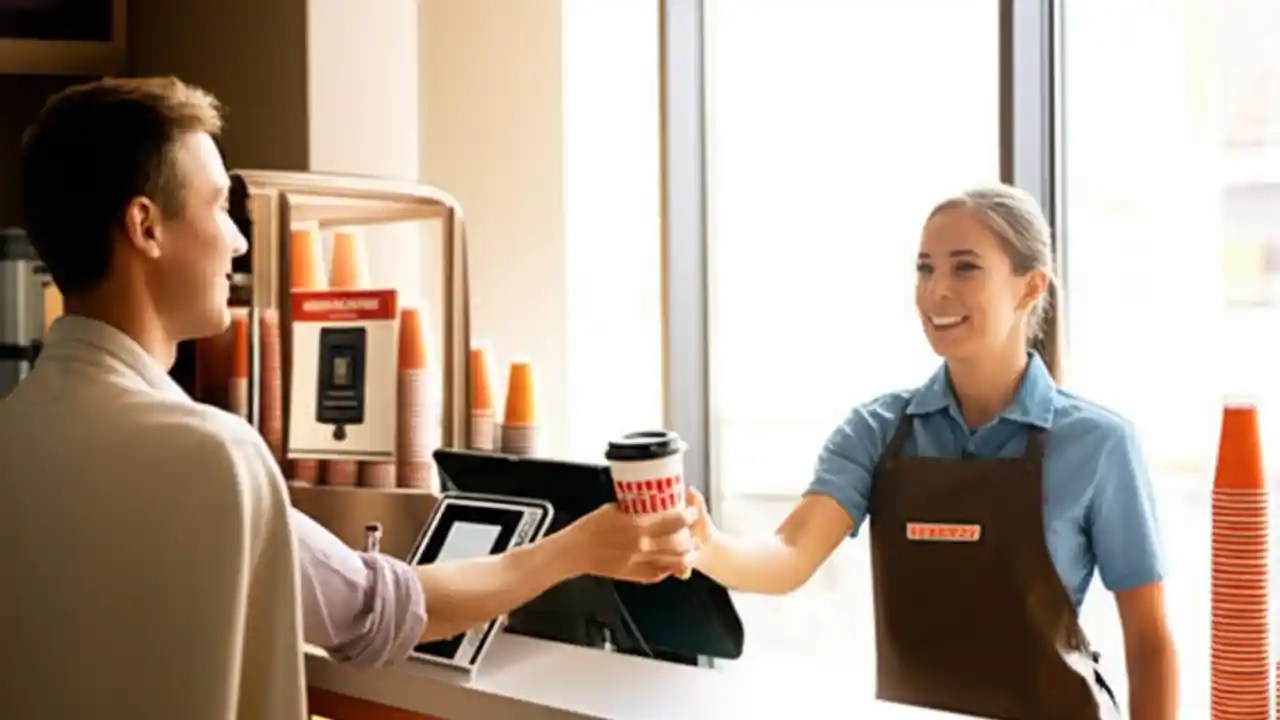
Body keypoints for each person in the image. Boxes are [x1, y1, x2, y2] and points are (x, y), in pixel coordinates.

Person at [0, 76, 696, 720]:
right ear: (146, 227)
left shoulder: (16, 438)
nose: (238, 239)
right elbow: (383, 613)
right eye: (219, 206)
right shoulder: (213, 459)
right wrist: (576, 549)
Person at [687, 184, 1177, 720]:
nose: (936, 291)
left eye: (965, 268)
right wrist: (705, 546)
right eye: (925, 269)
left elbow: (1149, 641)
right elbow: (789, 556)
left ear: (1029, 288)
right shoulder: (877, 431)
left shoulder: (1099, 444)